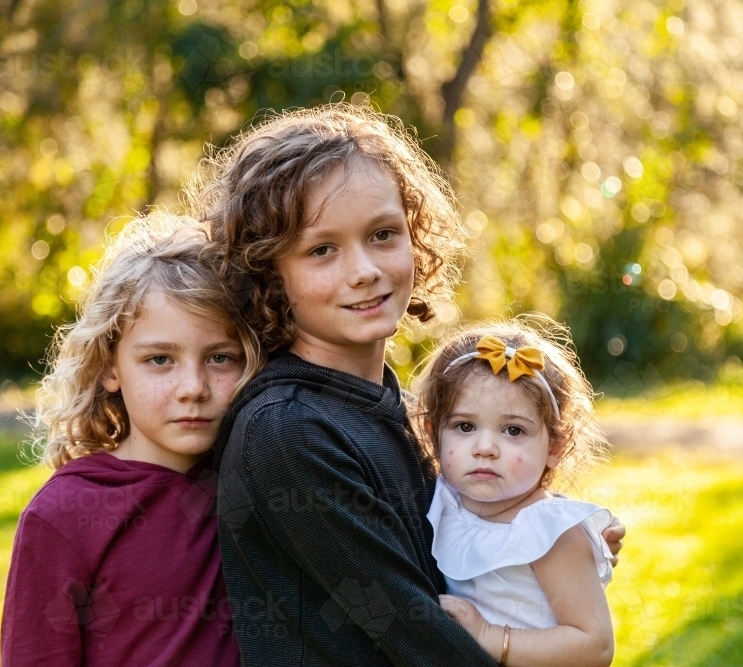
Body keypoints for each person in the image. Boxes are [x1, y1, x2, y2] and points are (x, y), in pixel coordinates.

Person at [192, 104, 624, 666]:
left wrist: (542, 543)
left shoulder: (394, 408)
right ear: (269, 272)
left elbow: (450, 560)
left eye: (383, 234)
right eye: (322, 249)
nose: (365, 269)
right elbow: (420, 638)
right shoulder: (287, 430)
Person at [1, 212, 260, 666]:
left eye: (221, 358)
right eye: (160, 359)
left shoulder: (260, 482)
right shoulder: (63, 514)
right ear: (109, 368)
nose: (193, 387)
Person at [411, 317, 615, 667]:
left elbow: (594, 646)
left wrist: (489, 636)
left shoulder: (549, 533)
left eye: (513, 430)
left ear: (556, 447)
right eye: (465, 426)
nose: (485, 447)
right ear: (433, 434)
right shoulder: (445, 495)